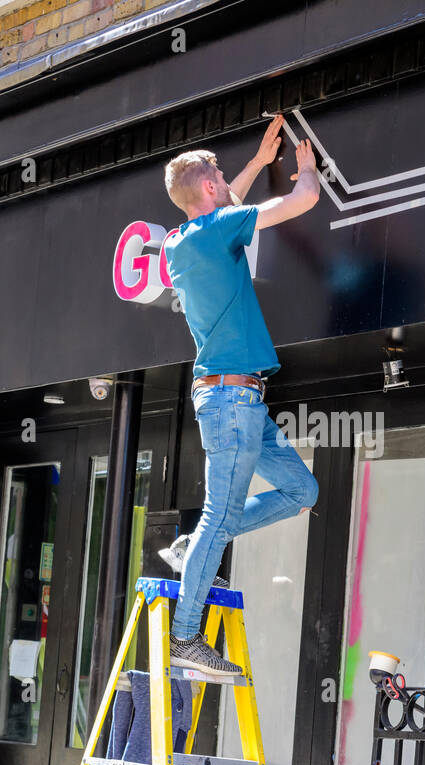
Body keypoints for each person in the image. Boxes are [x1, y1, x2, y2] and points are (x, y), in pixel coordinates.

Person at [158, 114, 321, 676]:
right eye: (221, 174)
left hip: (239, 402)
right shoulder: (215, 230)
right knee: (219, 513)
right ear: (207, 188)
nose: (228, 178)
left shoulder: (180, 241)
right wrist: (306, 167)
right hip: (231, 403)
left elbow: (226, 203)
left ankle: (196, 546)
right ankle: (184, 638)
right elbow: (300, 202)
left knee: (302, 488)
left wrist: (254, 161)